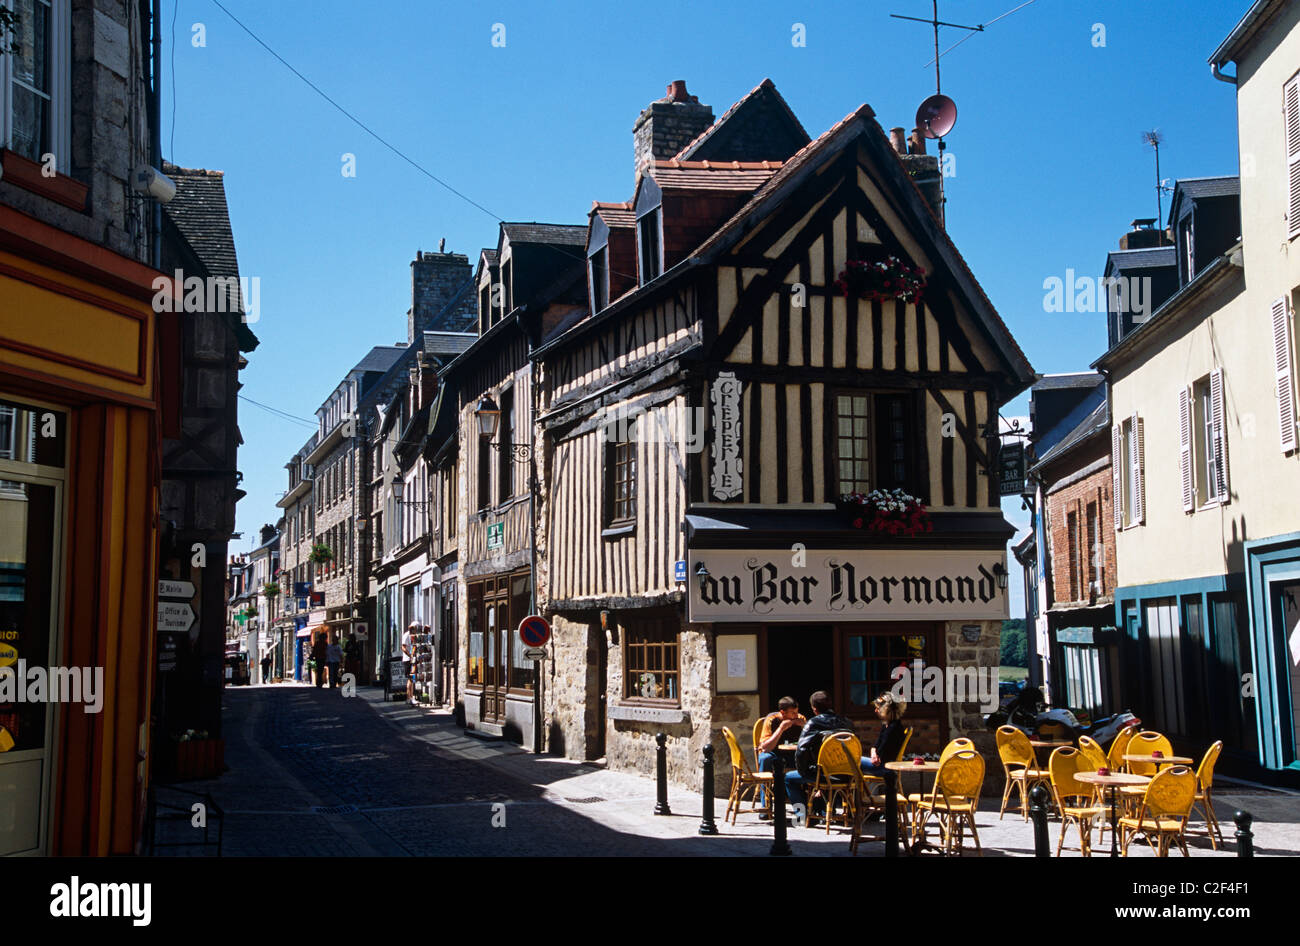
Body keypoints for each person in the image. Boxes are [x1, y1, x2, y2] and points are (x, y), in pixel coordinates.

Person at [784, 690, 854, 822]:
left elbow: (801, 750)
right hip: (846, 773)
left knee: (789, 778)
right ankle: (826, 810)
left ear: (814, 709)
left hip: (822, 774)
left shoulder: (813, 724)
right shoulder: (847, 723)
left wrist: (804, 771)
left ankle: (803, 815)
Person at [754, 696, 806, 817]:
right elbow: (765, 747)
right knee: (764, 758)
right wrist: (781, 728)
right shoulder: (771, 720)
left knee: (806, 759)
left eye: (797, 712)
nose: (796, 715)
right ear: (782, 712)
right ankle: (765, 805)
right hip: (774, 753)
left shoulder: (800, 719)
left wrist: (803, 725)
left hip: (792, 754)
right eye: (792, 713)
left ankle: (806, 808)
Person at [861, 692, 908, 776]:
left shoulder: (893, 729)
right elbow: (875, 746)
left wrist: (874, 753)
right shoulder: (887, 725)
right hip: (881, 764)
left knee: (851, 761)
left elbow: (880, 753)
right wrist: (873, 753)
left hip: (884, 768)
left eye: (878, 708)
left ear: (886, 709)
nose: (875, 711)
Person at [401, 623, 417, 705]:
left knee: (412, 678)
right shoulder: (406, 635)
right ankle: (409, 697)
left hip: (412, 659)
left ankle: (410, 697)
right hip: (407, 660)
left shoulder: (414, 635)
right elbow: (403, 647)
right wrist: (410, 655)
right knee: (411, 678)